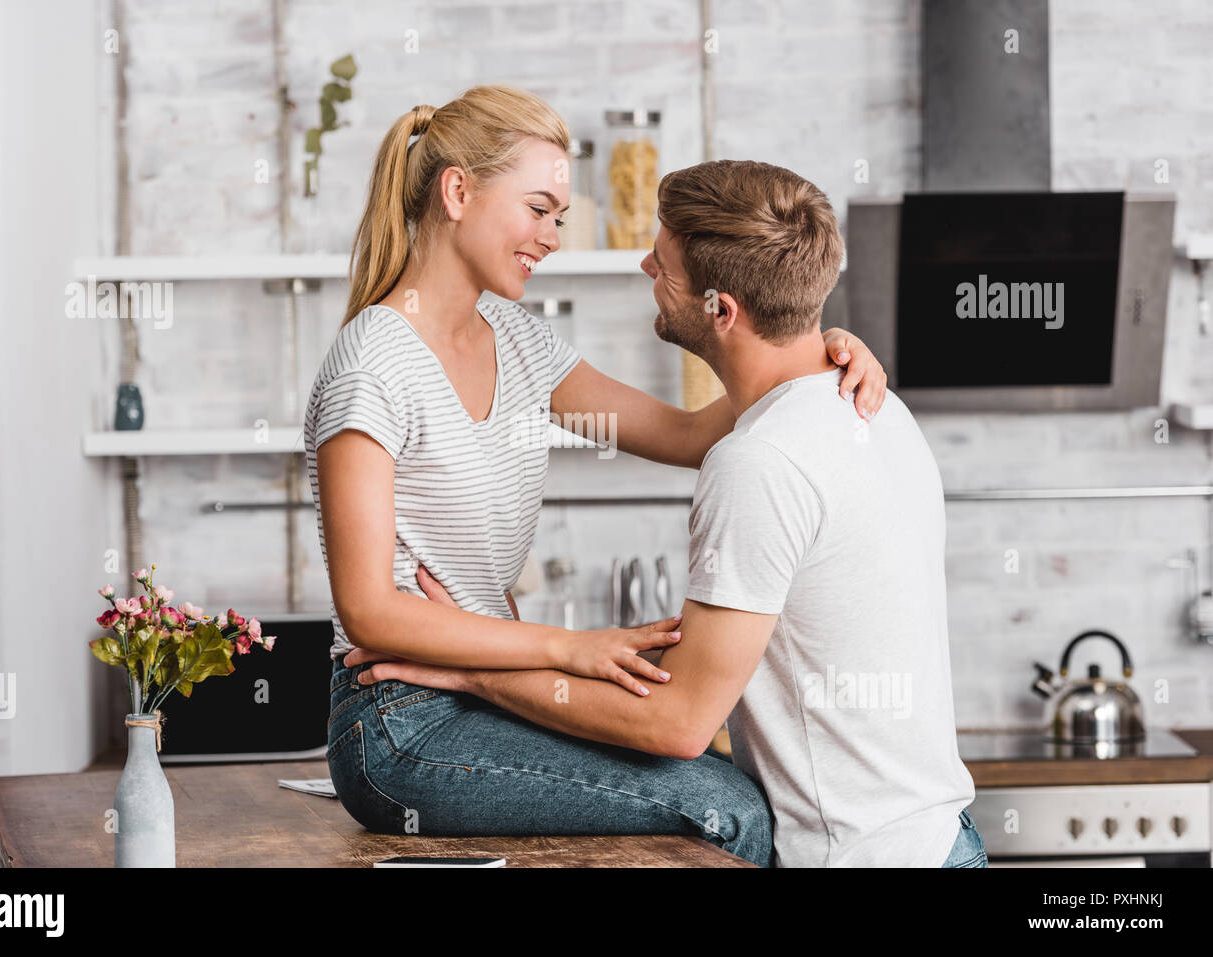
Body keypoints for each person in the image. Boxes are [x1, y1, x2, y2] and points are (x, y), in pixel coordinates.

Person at [307, 85, 888, 868]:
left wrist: (816, 354)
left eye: (559, 216)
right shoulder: (372, 364)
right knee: (728, 813)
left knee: (736, 789)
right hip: (397, 720)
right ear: (457, 191)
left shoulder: (521, 341)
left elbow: (685, 434)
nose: (552, 235)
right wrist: (568, 648)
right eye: (539, 208)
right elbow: (371, 612)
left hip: (487, 688)